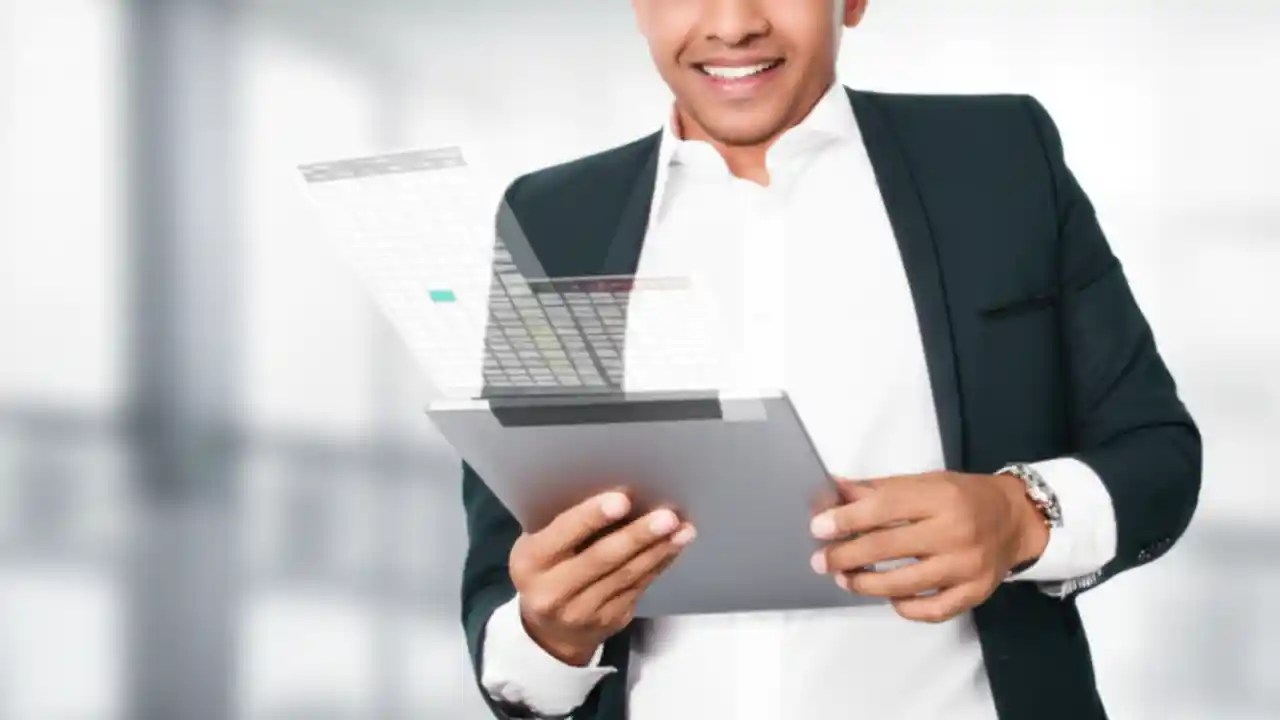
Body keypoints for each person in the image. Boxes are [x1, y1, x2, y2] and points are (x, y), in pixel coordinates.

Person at [459, 1, 1201, 718]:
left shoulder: (1000, 161)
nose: (733, 22)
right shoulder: (552, 222)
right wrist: (550, 636)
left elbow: (1156, 453)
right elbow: (507, 584)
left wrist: (1020, 515)